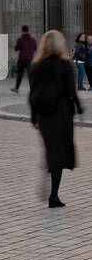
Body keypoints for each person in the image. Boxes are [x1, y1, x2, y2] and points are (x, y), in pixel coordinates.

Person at [29, 29, 83, 207]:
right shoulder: (64, 64)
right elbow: (71, 90)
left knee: (51, 148)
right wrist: (79, 109)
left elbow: (33, 92)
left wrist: (33, 117)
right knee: (59, 152)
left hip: (43, 113)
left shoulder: (36, 65)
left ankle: (49, 170)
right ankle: (53, 195)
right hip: (61, 112)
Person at [13, 25, 37, 93]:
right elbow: (35, 48)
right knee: (30, 75)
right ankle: (32, 89)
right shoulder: (33, 39)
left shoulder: (20, 39)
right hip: (30, 59)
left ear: (22, 30)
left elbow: (16, 48)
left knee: (20, 74)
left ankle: (17, 88)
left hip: (22, 59)